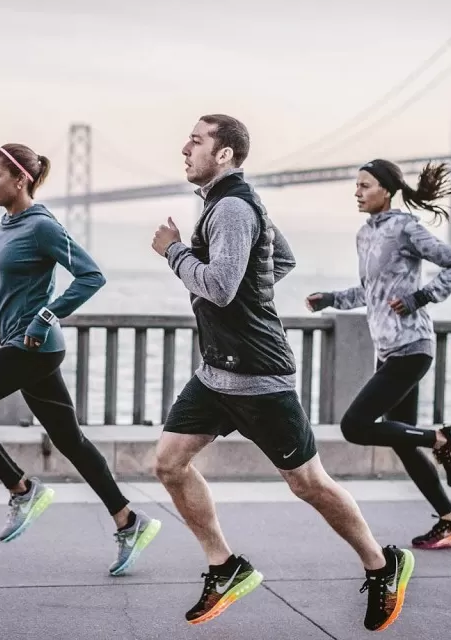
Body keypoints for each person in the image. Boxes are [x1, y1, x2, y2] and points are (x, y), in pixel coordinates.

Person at [151, 115, 413, 632]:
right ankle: (225, 566)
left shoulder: (230, 207)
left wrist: (173, 251)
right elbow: (281, 259)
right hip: (215, 374)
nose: (185, 148)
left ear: (224, 154)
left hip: (257, 374)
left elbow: (221, 288)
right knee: (169, 464)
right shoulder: (229, 204)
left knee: (308, 484)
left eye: (197, 141)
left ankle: (383, 565)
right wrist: (248, 286)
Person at [0, 143, 160, 576]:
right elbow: (5, 292)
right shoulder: (5, 225)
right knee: (69, 439)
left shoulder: (42, 226)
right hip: (28, 345)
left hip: (32, 346)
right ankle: (128, 521)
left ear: (20, 179)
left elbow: (92, 275)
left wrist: (45, 316)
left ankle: (22, 489)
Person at [305, 158, 451, 551]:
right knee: (402, 441)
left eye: (365, 186)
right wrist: (332, 299)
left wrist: (420, 297)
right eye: (357, 186)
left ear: (386, 190)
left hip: (412, 347)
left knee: (355, 425)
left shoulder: (406, 228)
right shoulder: (365, 235)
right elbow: (371, 291)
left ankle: (443, 439)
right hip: (388, 351)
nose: (357, 192)